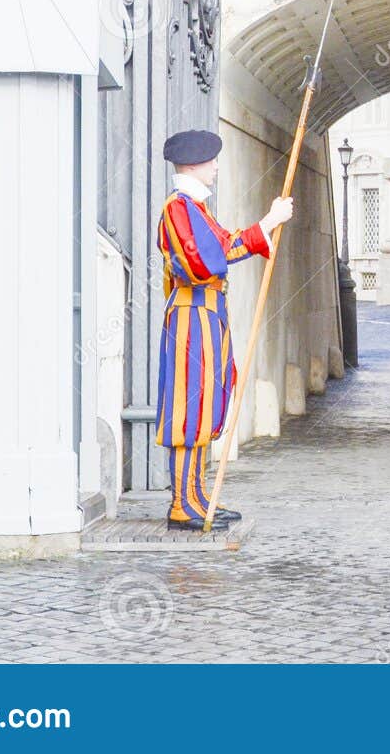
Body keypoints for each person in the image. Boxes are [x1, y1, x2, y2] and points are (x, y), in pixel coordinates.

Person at [156, 129, 294, 531]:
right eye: (212, 161)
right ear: (194, 164)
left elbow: (227, 243)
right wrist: (267, 223)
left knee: (207, 404)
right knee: (189, 409)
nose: (216, 167)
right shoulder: (178, 209)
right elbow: (207, 261)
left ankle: (199, 497)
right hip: (192, 316)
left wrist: (262, 229)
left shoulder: (196, 208)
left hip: (208, 314)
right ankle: (182, 504)